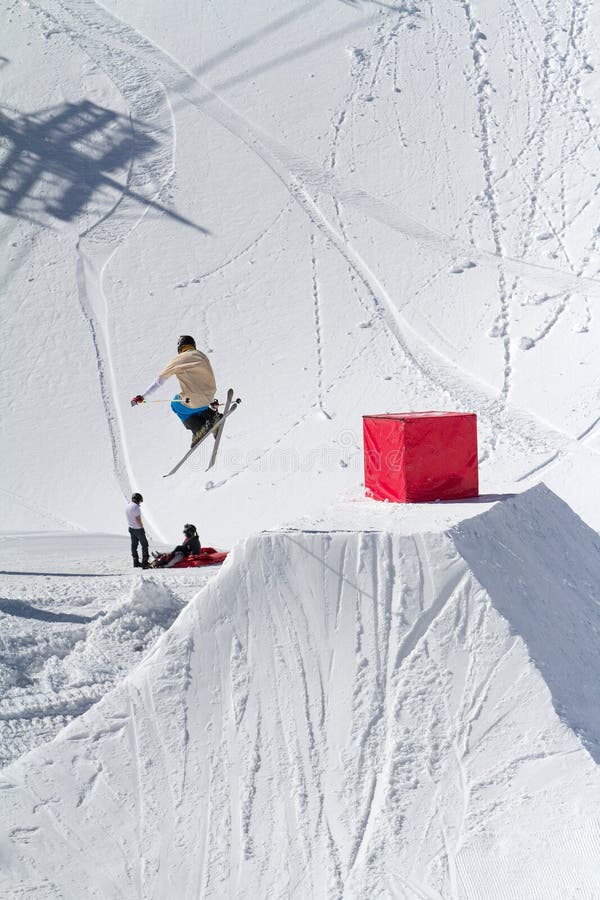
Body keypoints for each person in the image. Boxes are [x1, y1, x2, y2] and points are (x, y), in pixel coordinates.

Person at [131, 335, 220, 447]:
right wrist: (210, 399)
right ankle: (212, 417)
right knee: (192, 404)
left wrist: (143, 396)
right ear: (193, 345)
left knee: (176, 403)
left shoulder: (177, 360)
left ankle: (198, 429)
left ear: (180, 348)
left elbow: (159, 381)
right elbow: (208, 376)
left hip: (194, 400)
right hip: (209, 397)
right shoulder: (202, 356)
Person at [126, 492, 151, 569]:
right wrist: (142, 527)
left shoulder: (128, 505)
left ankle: (135, 562)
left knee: (134, 545)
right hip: (138, 529)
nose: (140, 502)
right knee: (144, 545)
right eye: (140, 501)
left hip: (131, 528)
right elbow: (138, 519)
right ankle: (145, 562)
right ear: (137, 500)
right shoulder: (136, 507)